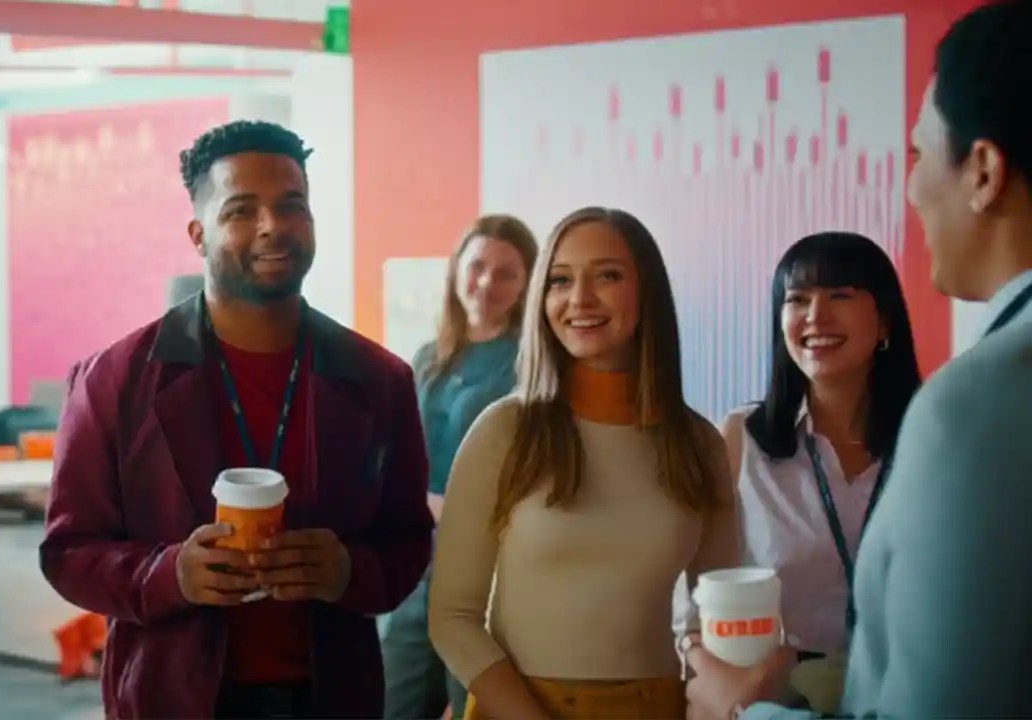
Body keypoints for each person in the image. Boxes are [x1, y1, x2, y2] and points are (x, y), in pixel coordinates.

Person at [685, 2, 1032, 717]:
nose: (911, 189)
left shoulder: (968, 407)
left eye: (916, 154)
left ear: (985, 170)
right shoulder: (738, 437)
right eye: (797, 301)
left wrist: (742, 712)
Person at [40, 120, 434, 719]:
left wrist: (348, 569)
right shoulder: (117, 379)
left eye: (291, 205)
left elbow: (407, 542)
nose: (273, 226)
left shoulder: (378, 380)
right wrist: (169, 573)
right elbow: (68, 550)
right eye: (242, 210)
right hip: (173, 698)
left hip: (333, 696)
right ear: (199, 234)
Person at [428, 206, 739, 719]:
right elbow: (452, 618)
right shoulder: (505, 431)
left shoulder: (698, 442)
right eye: (560, 280)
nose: (580, 299)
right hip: (517, 709)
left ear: (648, 292)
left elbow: (715, 616)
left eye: (608, 276)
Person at [708, 233, 921, 701]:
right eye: (797, 299)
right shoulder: (741, 440)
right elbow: (698, 593)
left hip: (907, 694)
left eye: (839, 295)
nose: (815, 316)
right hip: (779, 699)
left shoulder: (930, 438)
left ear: (884, 319)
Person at [381, 214, 538, 720]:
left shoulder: (532, 363)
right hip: (417, 560)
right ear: (456, 272)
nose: (487, 283)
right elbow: (399, 454)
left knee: (469, 702)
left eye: (506, 273)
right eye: (477, 267)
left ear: (528, 283)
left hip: (489, 572)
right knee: (396, 700)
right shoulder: (429, 357)